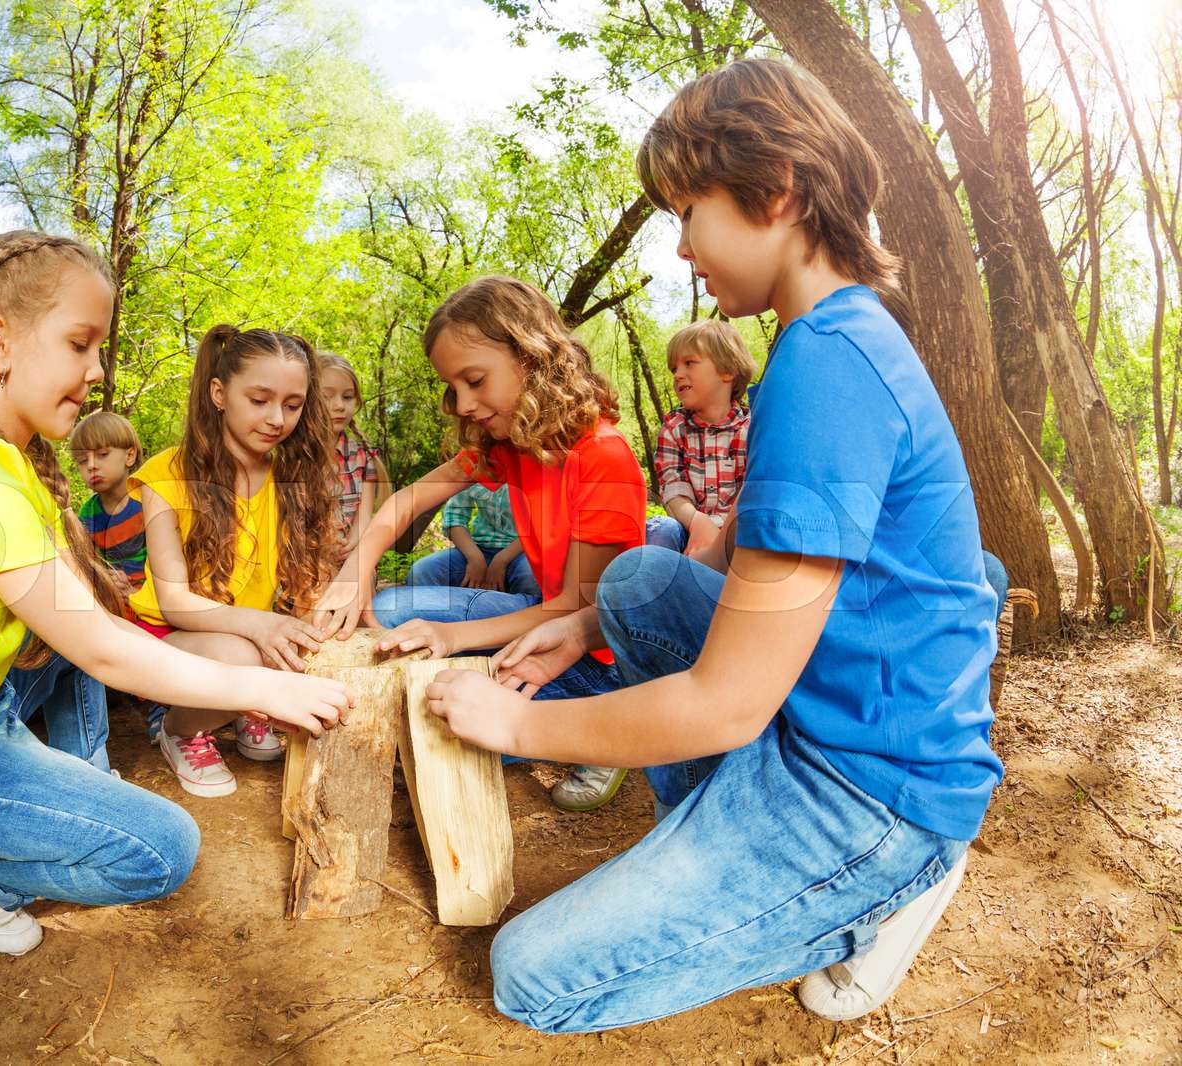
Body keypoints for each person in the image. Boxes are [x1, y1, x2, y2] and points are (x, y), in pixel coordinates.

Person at [420, 58, 1003, 1032]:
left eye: (687, 212)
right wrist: (582, 619)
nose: (683, 246)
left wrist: (514, 724)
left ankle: (873, 891)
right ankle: (727, 851)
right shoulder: (823, 343)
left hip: (875, 787)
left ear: (773, 193)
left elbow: (728, 700)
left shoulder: (826, 368)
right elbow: (751, 578)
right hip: (818, 709)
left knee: (532, 975)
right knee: (641, 582)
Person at [0, 232, 350, 956]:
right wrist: (261, 689)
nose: (98, 370)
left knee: (75, 632)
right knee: (162, 850)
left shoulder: (4, 456)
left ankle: (75, 775)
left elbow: (83, 622)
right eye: (81, 344)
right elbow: (106, 653)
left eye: (99, 349)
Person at [312, 276, 647, 813]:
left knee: (427, 728)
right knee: (389, 611)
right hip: (538, 619)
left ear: (532, 358)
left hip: (591, 655)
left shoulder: (602, 457)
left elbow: (573, 612)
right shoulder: (508, 446)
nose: (464, 404)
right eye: (454, 388)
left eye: (475, 380)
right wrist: (353, 576)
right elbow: (404, 503)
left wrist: (451, 636)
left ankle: (605, 721)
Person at [128, 326, 340, 797]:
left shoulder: (294, 477)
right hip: (169, 635)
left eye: (292, 404)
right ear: (220, 394)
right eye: (259, 399)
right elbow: (173, 602)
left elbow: (307, 585)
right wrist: (263, 630)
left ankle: (246, 704)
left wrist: (309, 625)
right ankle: (180, 729)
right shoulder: (167, 474)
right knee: (246, 654)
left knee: (308, 644)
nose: (276, 418)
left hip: (248, 630)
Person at [644, 318, 756, 555]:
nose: (678, 375)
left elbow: (753, 493)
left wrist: (721, 536)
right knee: (661, 529)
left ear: (727, 371)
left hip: (738, 537)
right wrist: (698, 523)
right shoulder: (675, 429)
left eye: (689, 363)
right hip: (690, 533)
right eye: (674, 369)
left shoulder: (753, 428)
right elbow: (674, 491)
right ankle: (658, 586)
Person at [405, 483, 540, 597]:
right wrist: (474, 557)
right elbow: (455, 516)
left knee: (530, 577)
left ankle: (525, 623)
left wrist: (501, 560)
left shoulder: (534, 467)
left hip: (522, 552)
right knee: (421, 571)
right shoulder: (474, 466)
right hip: (478, 548)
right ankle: (427, 622)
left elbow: (541, 526)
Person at [71, 410, 147, 592]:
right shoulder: (89, 513)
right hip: (113, 601)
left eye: (102, 454)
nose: (91, 466)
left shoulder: (148, 502)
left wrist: (134, 591)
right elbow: (90, 565)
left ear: (129, 456)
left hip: (151, 603)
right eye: (82, 461)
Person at [320, 352, 386, 558]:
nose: (339, 405)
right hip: (312, 554)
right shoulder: (295, 457)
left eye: (347, 397)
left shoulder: (363, 457)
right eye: (326, 397)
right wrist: (325, 543)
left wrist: (351, 543)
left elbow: (364, 515)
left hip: (352, 551)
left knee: (360, 576)